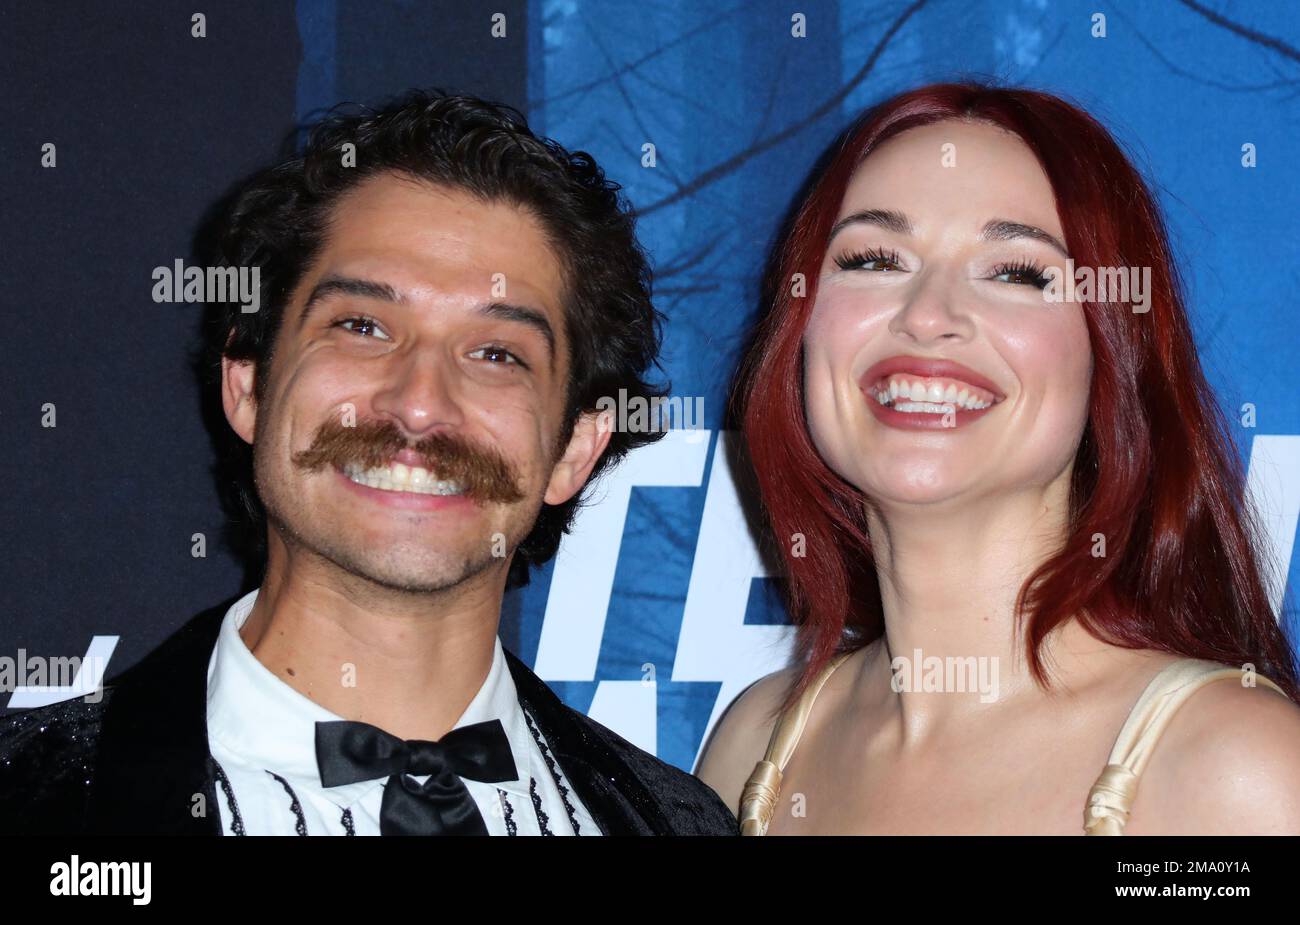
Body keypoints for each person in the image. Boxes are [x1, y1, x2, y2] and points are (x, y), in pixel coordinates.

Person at [0, 90, 736, 836]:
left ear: (574, 447)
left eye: (496, 353)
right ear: (247, 383)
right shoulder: (32, 800)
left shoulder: (679, 824)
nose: (419, 404)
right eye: (362, 325)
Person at [696, 82, 1300, 835]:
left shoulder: (1226, 772)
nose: (925, 314)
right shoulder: (755, 749)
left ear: (1112, 354)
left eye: (1017, 272)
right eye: (875, 258)